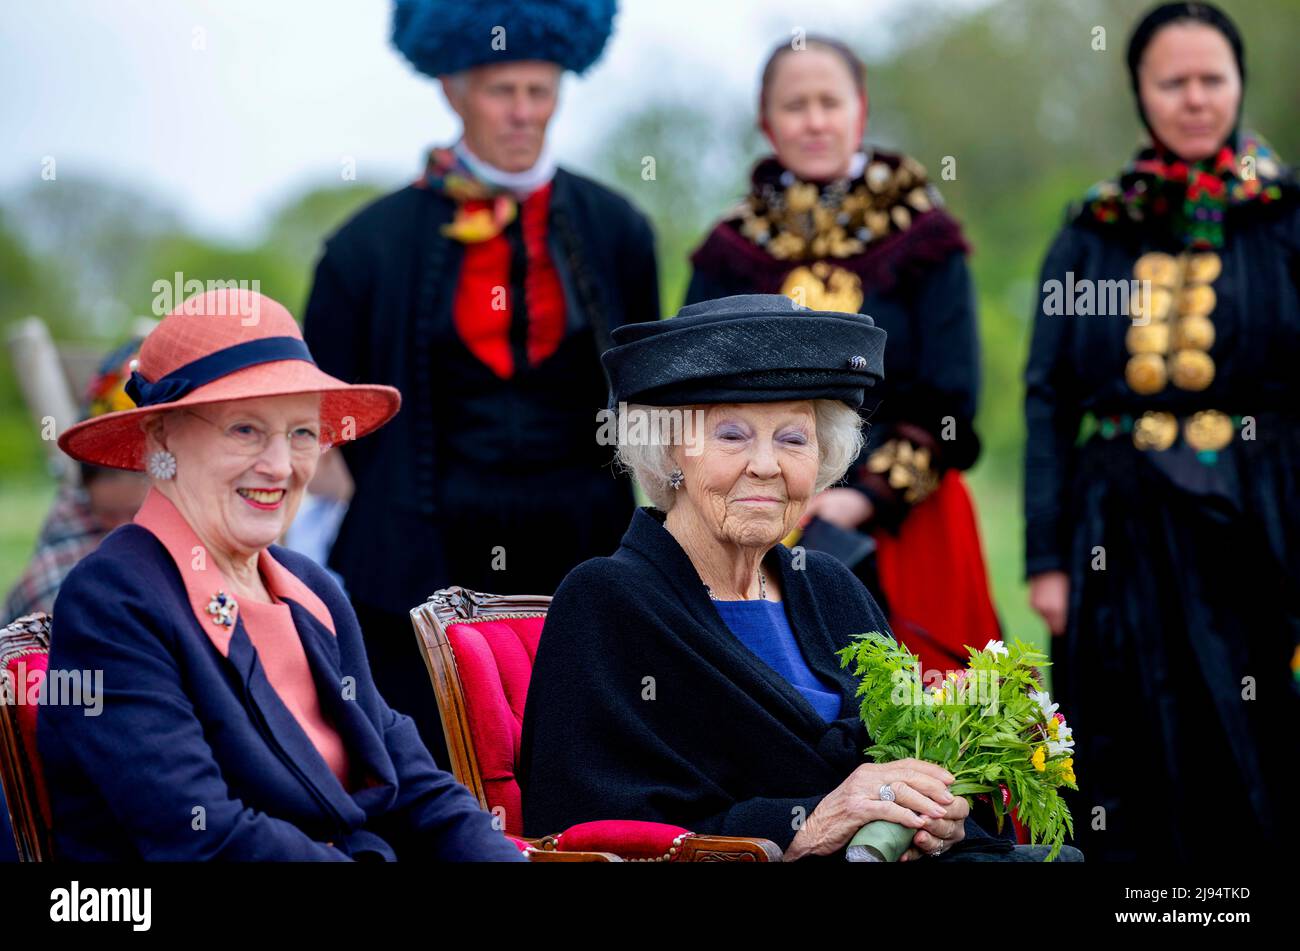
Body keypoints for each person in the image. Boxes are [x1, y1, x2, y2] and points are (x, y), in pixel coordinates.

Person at [520, 294, 1083, 862]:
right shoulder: (608, 600)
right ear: (671, 451)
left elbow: (899, 761)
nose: (766, 465)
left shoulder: (829, 586)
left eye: (793, 439)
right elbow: (586, 829)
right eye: (731, 435)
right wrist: (807, 825)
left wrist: (936, 814)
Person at [39, 288, 524, 861]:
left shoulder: (308, 588)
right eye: (244, 429)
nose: (280, 466)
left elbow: (415, 784)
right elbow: (205, 838)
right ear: (162, 436)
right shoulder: (114, 600)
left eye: (302, 433)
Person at [303, 0, 659, 765]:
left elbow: (649, 401)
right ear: (452, 90)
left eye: (542, 89)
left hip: (584, 560)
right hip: (412, 569)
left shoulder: (620, 229)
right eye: (504, 90)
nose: (525, 112)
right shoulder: (362, 250)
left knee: (585, 770)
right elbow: (318, 425)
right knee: (423, 780)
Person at [1023, 2, 1299, 862]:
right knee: (1124, 736)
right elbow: (1048, 394)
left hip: (1264, 515)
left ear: (1239, 83)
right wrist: (1048, 556)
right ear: (1141, 92)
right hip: (1117, 525)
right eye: (1171, 81)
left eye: (1211, 79)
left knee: (1260, 733)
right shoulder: (1094, 228)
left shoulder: (1284, 217)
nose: (1193, 99)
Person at [686, 35, 998, 675]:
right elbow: (694, 387)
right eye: (795, 105)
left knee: (931, 713)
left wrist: (868, 497)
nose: (815, 120)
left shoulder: (924, 236)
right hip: (760, 507)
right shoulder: (730, 248)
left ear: (860, 108)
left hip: (907, 518)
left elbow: (952, 401)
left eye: (830, 101)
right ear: (766, 122)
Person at [4, 340, 149, 623]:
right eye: (108, 516)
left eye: (135, 514)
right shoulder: (61, 567)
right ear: (86, 495)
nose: (120, 531)